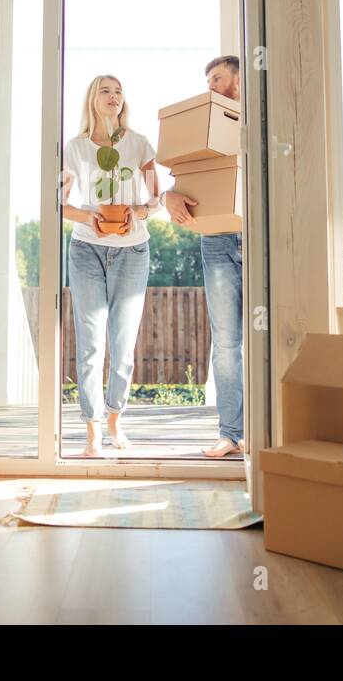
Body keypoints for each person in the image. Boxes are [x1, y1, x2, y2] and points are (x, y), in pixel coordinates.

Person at [62, 75, 160, 458]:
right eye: (106, 90)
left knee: (122, 345)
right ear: (92, 99)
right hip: (86, 250)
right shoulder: (75, 148)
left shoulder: (139, 144)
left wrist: (139, 211)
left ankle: (116, 420)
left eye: (118, 91)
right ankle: (91, 431)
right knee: (90, 346)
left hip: (133, 252)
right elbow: (62, 202)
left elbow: (157, 199)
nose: (114, 97)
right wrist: (88, 219)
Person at [162, 55, 244, 458]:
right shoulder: (202, 128)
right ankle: (232, 433)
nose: (210, 85)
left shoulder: (265, 121)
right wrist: (168, 196)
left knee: (270, 337)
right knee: (228, 342)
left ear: (239, 81)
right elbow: (177, 176)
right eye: (208, 79)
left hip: (261, 238)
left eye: (217, 78)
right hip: (216, 240)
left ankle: (271, 428)